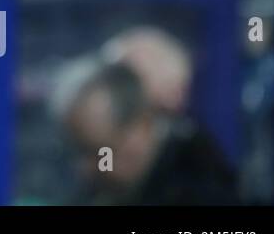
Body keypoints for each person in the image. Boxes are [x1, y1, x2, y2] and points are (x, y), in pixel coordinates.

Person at [57, 58, 238, 205]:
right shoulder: (104, 190)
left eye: (99, 153)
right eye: (80, 151)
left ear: (140, 128)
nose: (85, 169)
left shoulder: (201, 188)